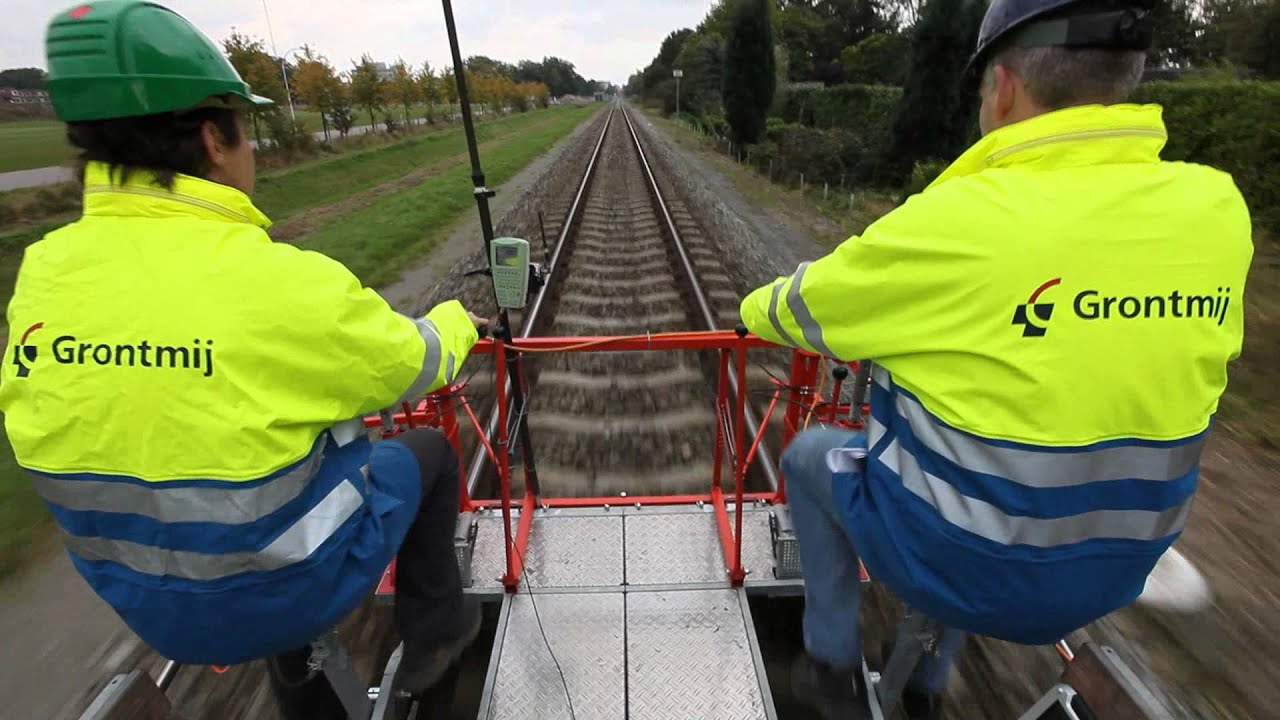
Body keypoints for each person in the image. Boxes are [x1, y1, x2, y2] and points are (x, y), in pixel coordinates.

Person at [739, 0, 1253, 718]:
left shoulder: (954, 221)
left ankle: (830, 663)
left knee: (810, 454)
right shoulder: (1219, 210)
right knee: (986, 455)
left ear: (1003, 87)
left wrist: (749, 306)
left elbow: (795, 310)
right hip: (1117, 570)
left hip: (964, 566)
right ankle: (926, 685)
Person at [0, 1, 486, 715]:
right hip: (283, 586)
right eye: (245, 128)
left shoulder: (42, 272)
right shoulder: (279, 281)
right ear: (211, 137)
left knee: (249, 481)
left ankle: (304, 688)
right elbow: (413, 364)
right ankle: (440, 634)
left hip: (141, 602)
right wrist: (453, 321)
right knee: (426, 453)